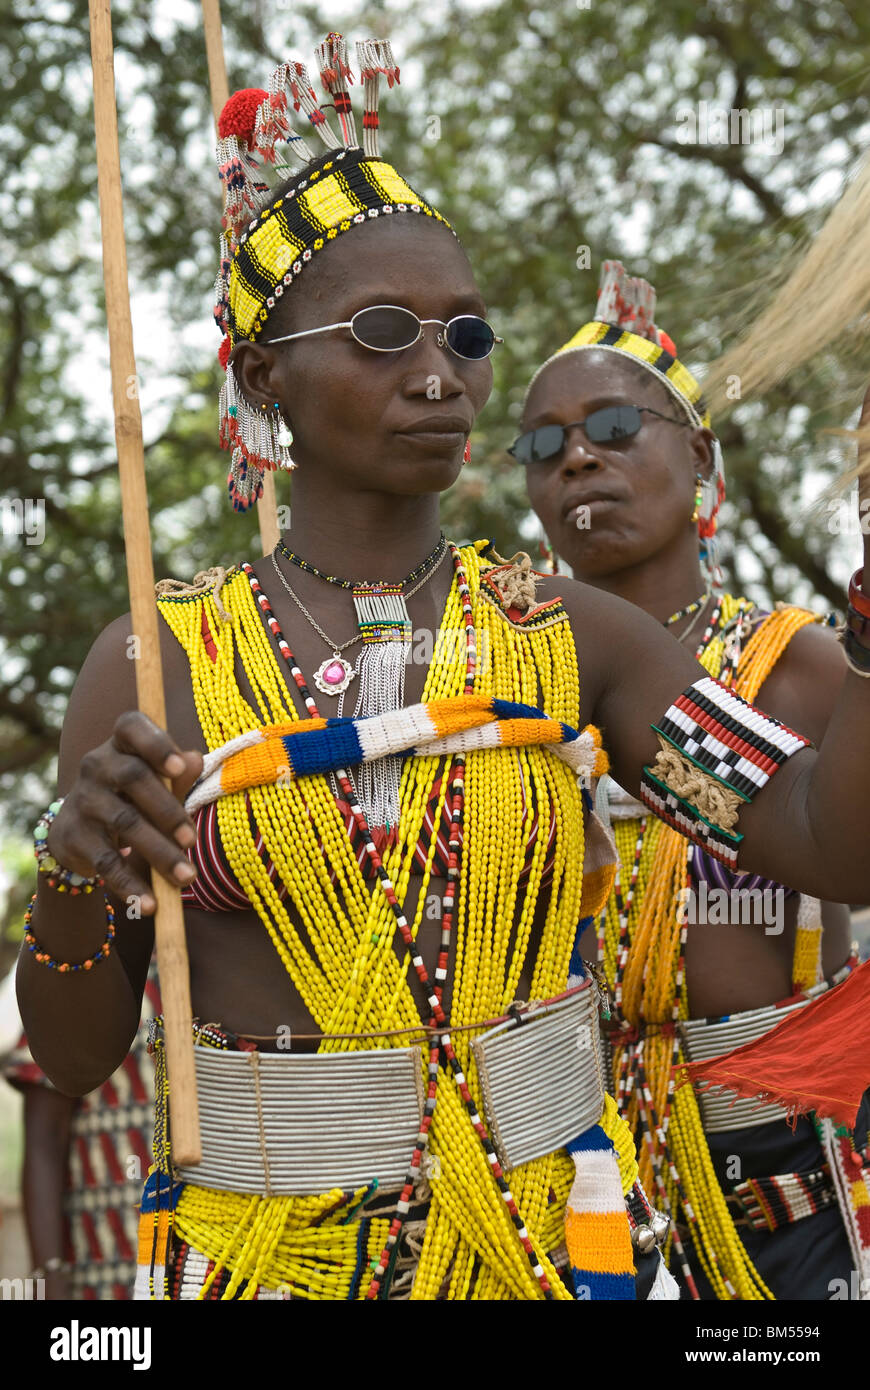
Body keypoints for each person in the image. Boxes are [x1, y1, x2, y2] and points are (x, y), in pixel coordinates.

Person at [15, 36, 870, 1302]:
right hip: (272, 1264)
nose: (439, 373)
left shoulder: (565, 635)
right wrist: (76, 875)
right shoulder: (158, 657)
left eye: (464, 335)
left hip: (541, 1254)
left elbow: (820, 835)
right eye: (377, 331)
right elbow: (80, 1055)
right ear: (265, 375)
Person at [517, 259, 870, 1299]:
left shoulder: (795, 660)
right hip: (587, 1164)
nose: (579, 457)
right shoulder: (520, 683)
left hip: (783, 1160)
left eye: (616, 429)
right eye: (544, 446)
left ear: (700, 457)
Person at [2, 961, 160, 1299]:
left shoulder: (226, 955)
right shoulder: (81, 966)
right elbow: (46, 1139)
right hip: (106, 1255)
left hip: (211, 1256)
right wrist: (49, 1276)